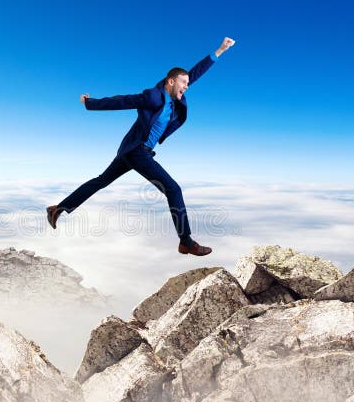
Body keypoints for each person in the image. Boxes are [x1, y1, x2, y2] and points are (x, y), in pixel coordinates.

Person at [47, 38, 236, 256]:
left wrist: (220, 50)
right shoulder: (153, 96)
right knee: (173, 189)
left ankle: (57, 208)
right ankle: (186, 241)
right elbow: (122, 101)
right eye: (183, 83)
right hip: (137, 151)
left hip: (130, 152)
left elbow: (194, 73)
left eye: (187, 83)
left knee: (100, 181)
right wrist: (89, 103)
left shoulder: (175, 97)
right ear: (170, 82)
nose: (187, 86)